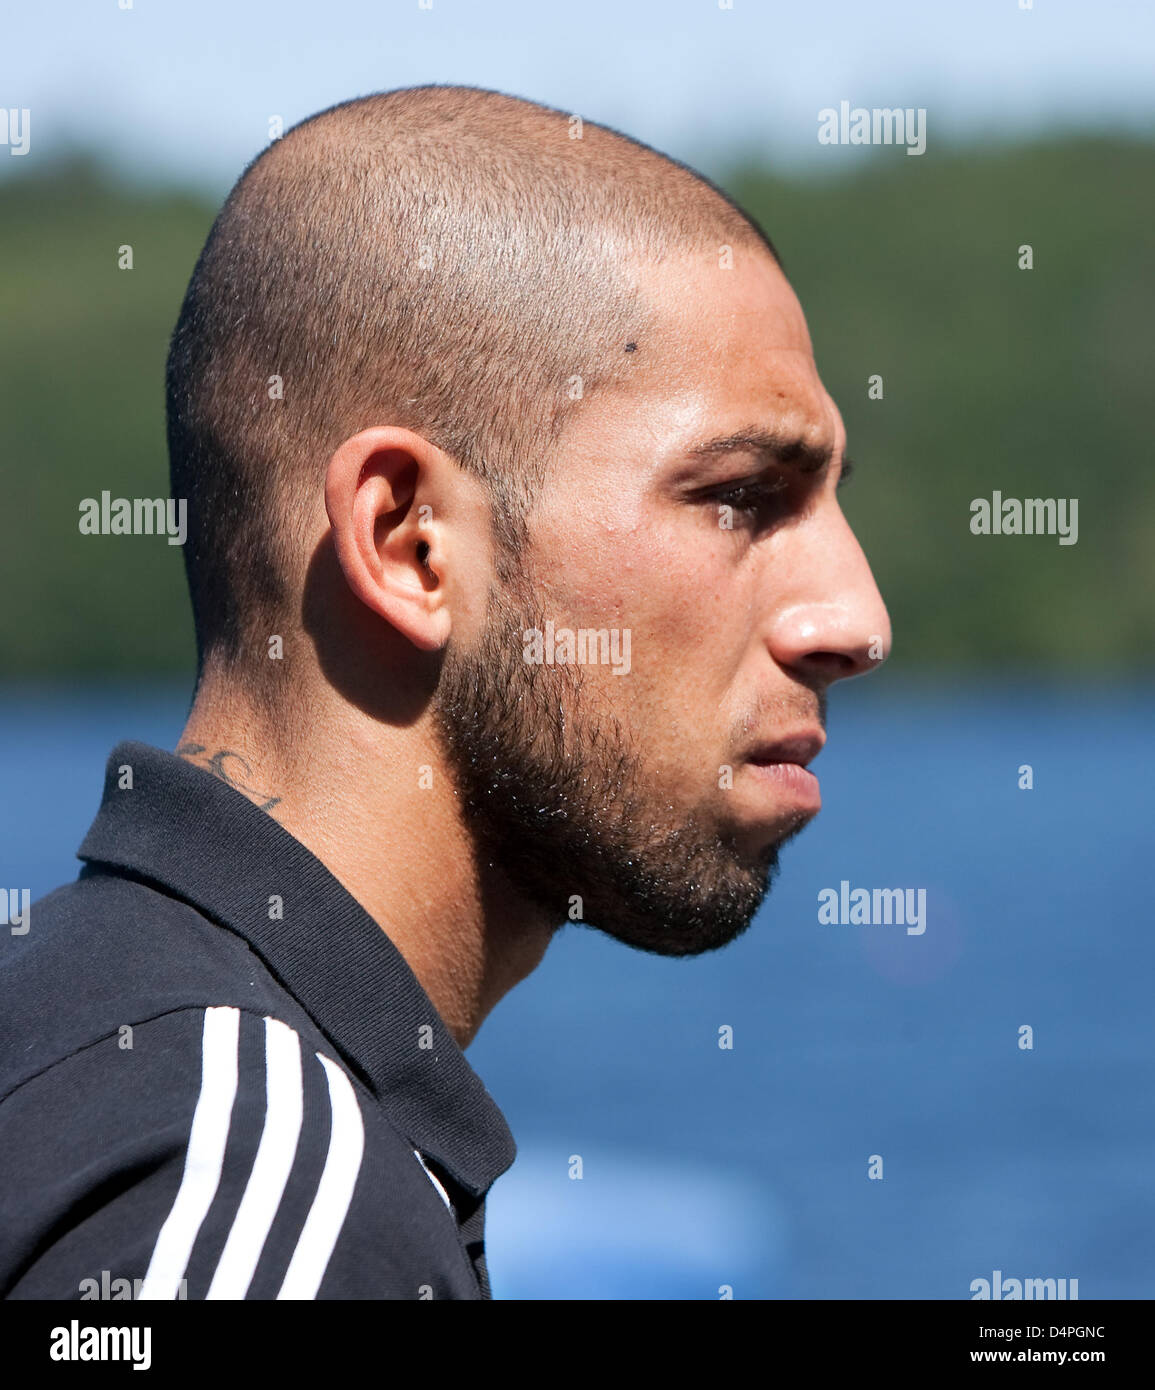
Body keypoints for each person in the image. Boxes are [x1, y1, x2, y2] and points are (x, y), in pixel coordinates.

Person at [0, 85, 890, 1300]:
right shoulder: (251, 1194)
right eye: (739, 495)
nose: (855, 620)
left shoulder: (81, 1046)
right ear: (409, 540)